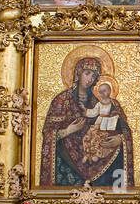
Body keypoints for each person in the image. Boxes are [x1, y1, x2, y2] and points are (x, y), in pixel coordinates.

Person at [38, 56, 134, 187]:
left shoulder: (99, 102)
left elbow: (123, 128)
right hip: (69, 160)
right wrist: (68, 131)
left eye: (94, 76)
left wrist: (120, 139)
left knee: (116, 148)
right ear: (78, 73)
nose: (90, 79)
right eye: (87, 73)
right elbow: (48, 133)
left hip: (98, 153)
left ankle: (117, 193)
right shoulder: (62, 100)